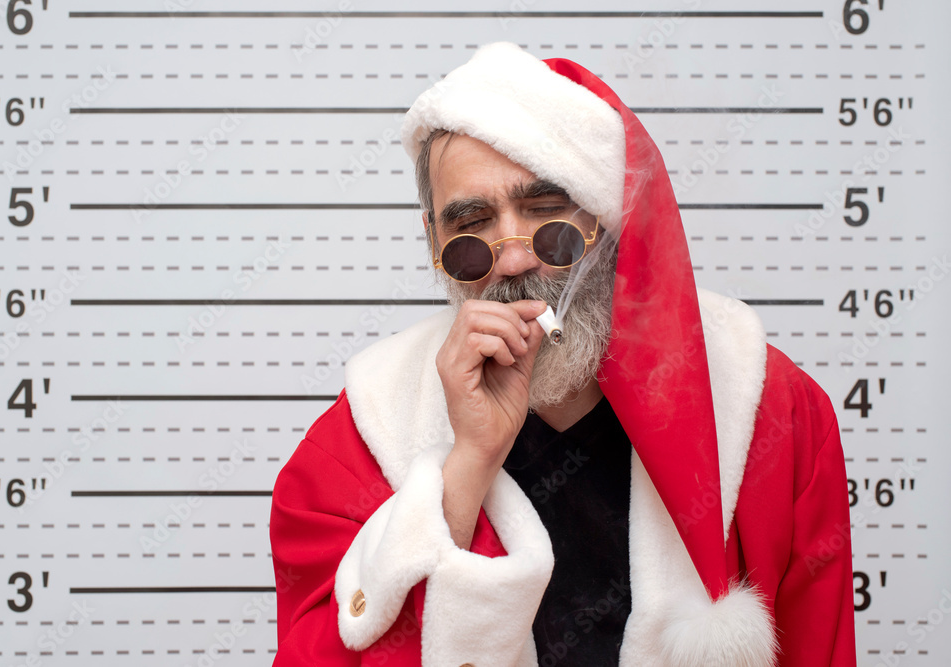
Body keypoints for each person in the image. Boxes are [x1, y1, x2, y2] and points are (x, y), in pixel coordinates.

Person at [270, 42, 855, 666]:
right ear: (435, 240)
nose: (514, 257)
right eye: (472, 228)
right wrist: (467, 464)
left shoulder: (768, 408)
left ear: (607, 218)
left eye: (548, 214)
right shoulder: (362, 433)